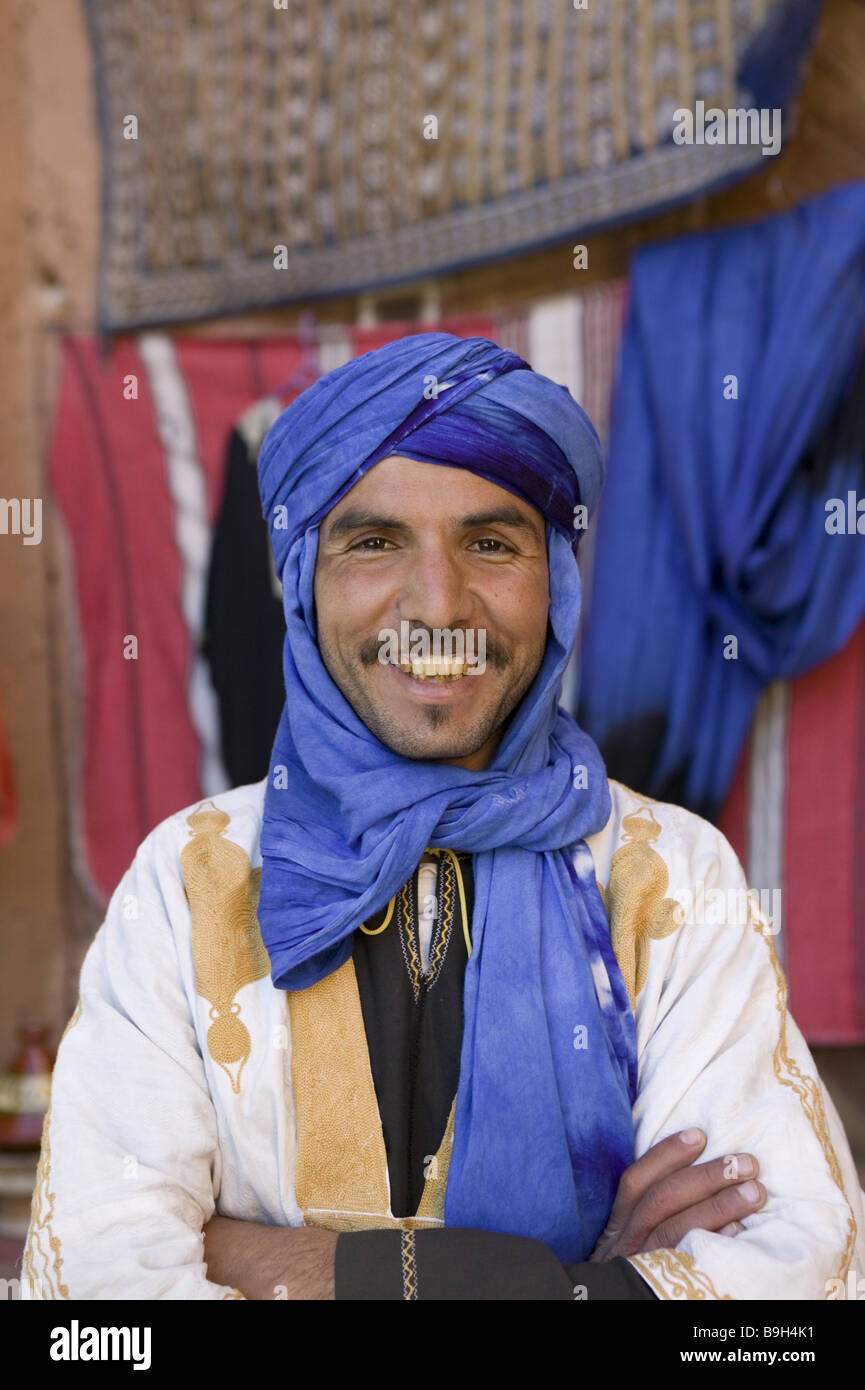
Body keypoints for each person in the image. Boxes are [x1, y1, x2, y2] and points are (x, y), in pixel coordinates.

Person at [22, 334, 863, 1301]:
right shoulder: (192, 879)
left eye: (491, 542)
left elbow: (796, 1291)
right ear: (302, 583)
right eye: (374, 541)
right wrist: (577, 1283)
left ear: (555, 582)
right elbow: (93, 1295)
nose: (438, 601)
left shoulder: (666, 876)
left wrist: (295, 1264)